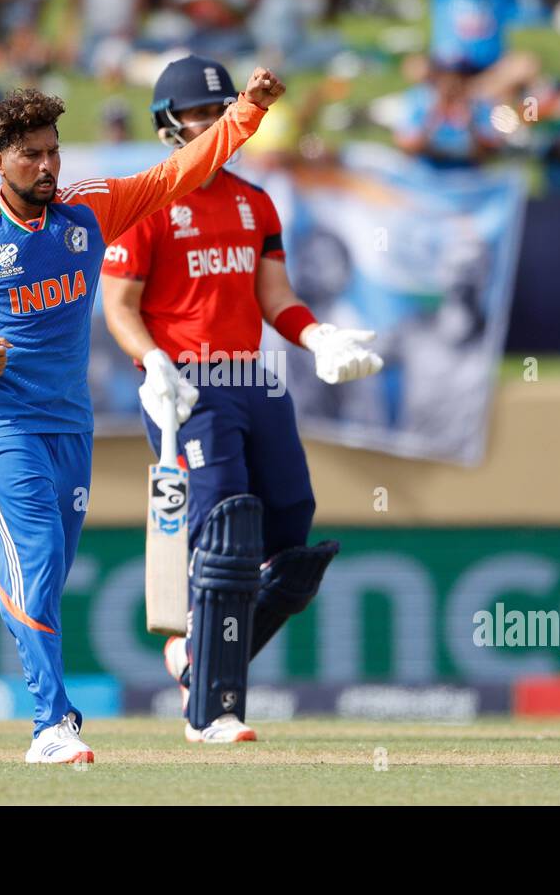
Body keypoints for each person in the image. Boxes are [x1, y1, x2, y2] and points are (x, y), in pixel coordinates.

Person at [0, 66, 285, 764]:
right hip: (3, 425)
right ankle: (51, 725)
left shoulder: (89, 208)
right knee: (38, 562)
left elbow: (177, 174)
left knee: (43, 567)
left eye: (53, 151)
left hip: (70, 425)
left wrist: (247, 112)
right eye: (31, 156)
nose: (47, 166)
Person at [101, 56, 383, 743]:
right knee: (226, 529)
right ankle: (213, 711)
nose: (217, 123)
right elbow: (118, 305)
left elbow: (275, 298)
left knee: (291, 540)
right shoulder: (145, 200)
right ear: (169, 123)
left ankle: (194, 654)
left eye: (223, 111)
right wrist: (154, 363)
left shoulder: (254, 202)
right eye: (203, 113)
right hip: (187, 385)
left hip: (254, 378)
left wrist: (316, 337)